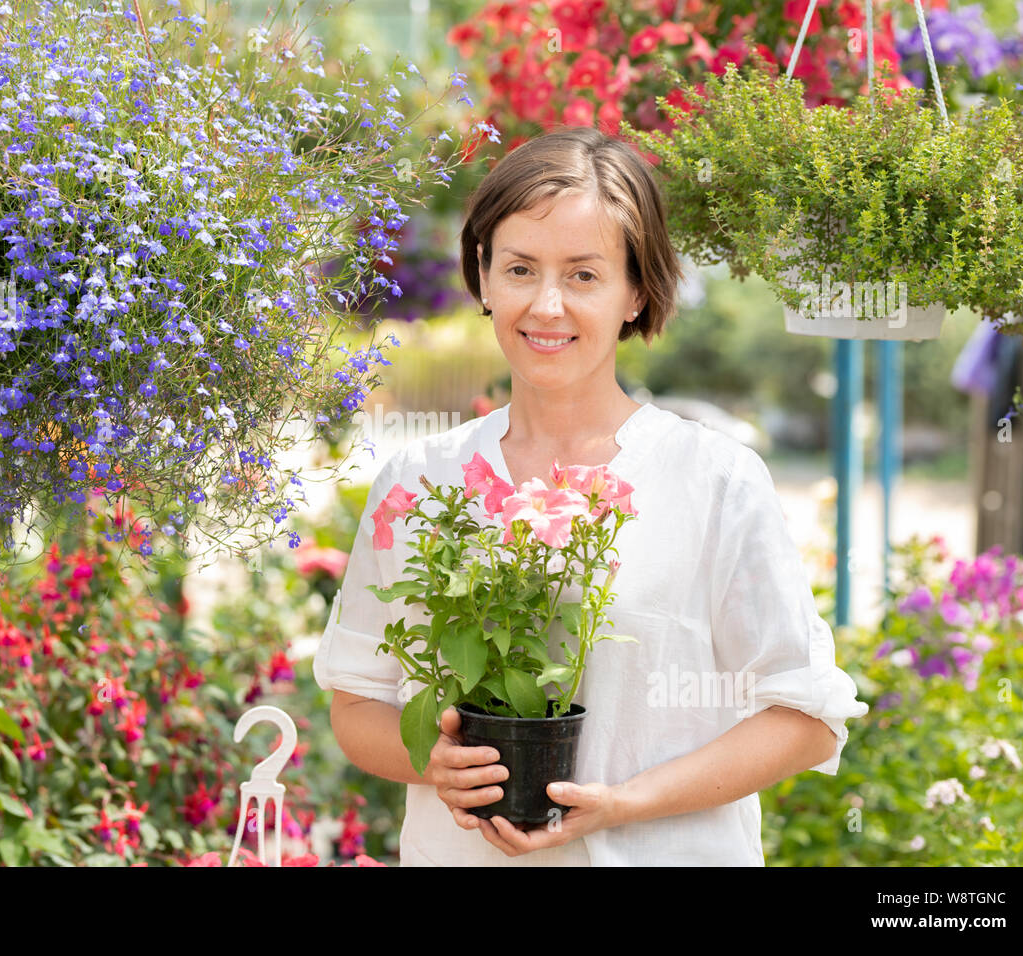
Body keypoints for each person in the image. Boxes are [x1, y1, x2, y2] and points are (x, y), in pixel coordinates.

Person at [313, 126, 868, 866]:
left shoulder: (713, 478)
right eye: (519, 269)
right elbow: (355, 700)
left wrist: (625, 803)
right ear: (482, 276)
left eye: (583, 275)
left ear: (636, 291)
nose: (547, 306)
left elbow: (807, 717)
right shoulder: (419, 481)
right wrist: (434, 763)